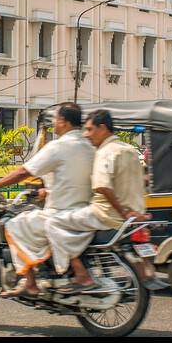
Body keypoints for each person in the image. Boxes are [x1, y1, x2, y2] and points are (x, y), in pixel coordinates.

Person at [0, 103, 94, 296]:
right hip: (83, 211)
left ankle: (29, 282)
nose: (53, 124)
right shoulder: (89, 146)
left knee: (14, 225)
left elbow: (25, 171)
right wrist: (46, 190)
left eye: (55, 120)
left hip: (60, 212)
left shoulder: (59, 146)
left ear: (64, 122)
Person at [44, 110, 149, 290]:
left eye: (90, 129)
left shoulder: (105, 152)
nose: (86, 134)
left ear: (103, 128)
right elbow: (143, 181)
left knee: (52, 222)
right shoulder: (130, 150)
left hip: (104, 216)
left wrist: (122, 211)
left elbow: (102, 186)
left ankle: (81, 274)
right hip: (134, 216)